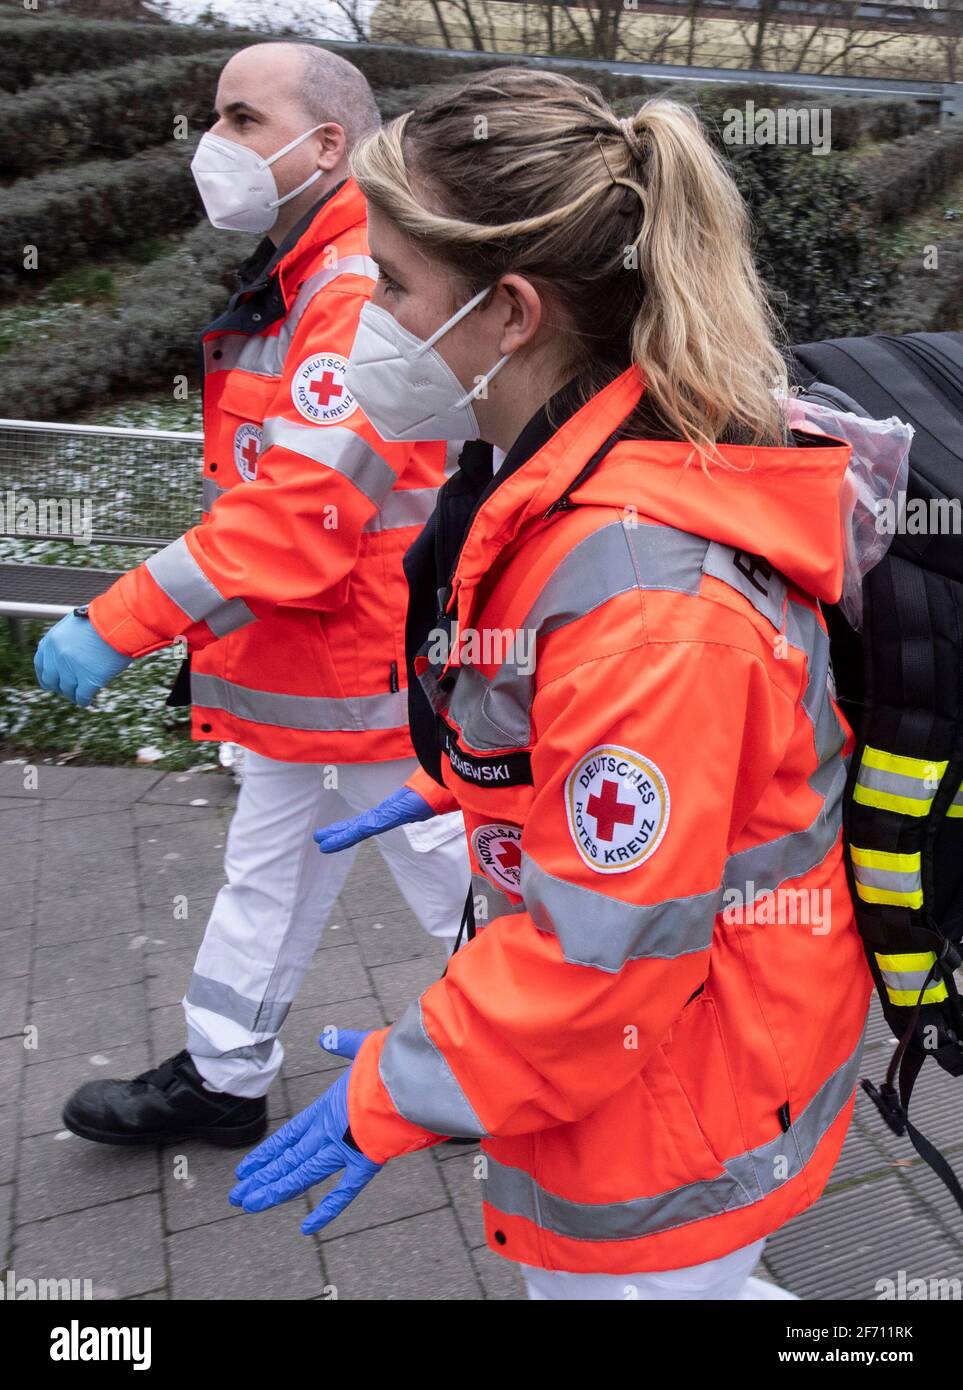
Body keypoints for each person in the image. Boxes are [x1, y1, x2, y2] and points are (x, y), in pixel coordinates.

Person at [225, 69, 874, 1300]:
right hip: (680, 1059)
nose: (364, 315)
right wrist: (480, 779)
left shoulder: (642, 595)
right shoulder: (578, 453)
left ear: (511, 311)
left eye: (394, 286)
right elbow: (604, 740)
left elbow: (604, 951)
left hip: (671, 1110)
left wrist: (398, 1087)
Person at [35, 42, 470, 1147]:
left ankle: (542, 1063)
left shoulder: (356, 287)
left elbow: (302, 510)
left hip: (361, 672)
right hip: (315, 667)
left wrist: (116, 619)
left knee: (456, 877)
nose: (212, 147)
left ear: (329, 145)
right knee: (269, 876)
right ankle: (225, 1075)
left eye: (240, 119)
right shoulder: (315, 275)